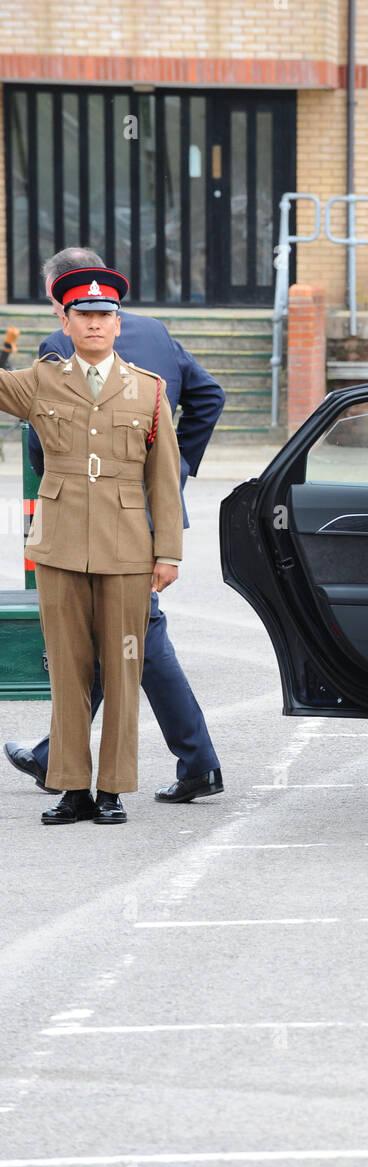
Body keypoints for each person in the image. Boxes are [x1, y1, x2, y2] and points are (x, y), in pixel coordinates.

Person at [4, 246, 225, 804]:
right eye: (83, 310)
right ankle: (69, 766)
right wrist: (180, 470)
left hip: (114, 520)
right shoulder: (155, 329)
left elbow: (44, 445)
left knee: (131, 646)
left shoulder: (67, 346)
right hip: (122, 515)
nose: (93, 320)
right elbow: (207, 396)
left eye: (101, 313)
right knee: (111, 646)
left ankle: (179, 764)